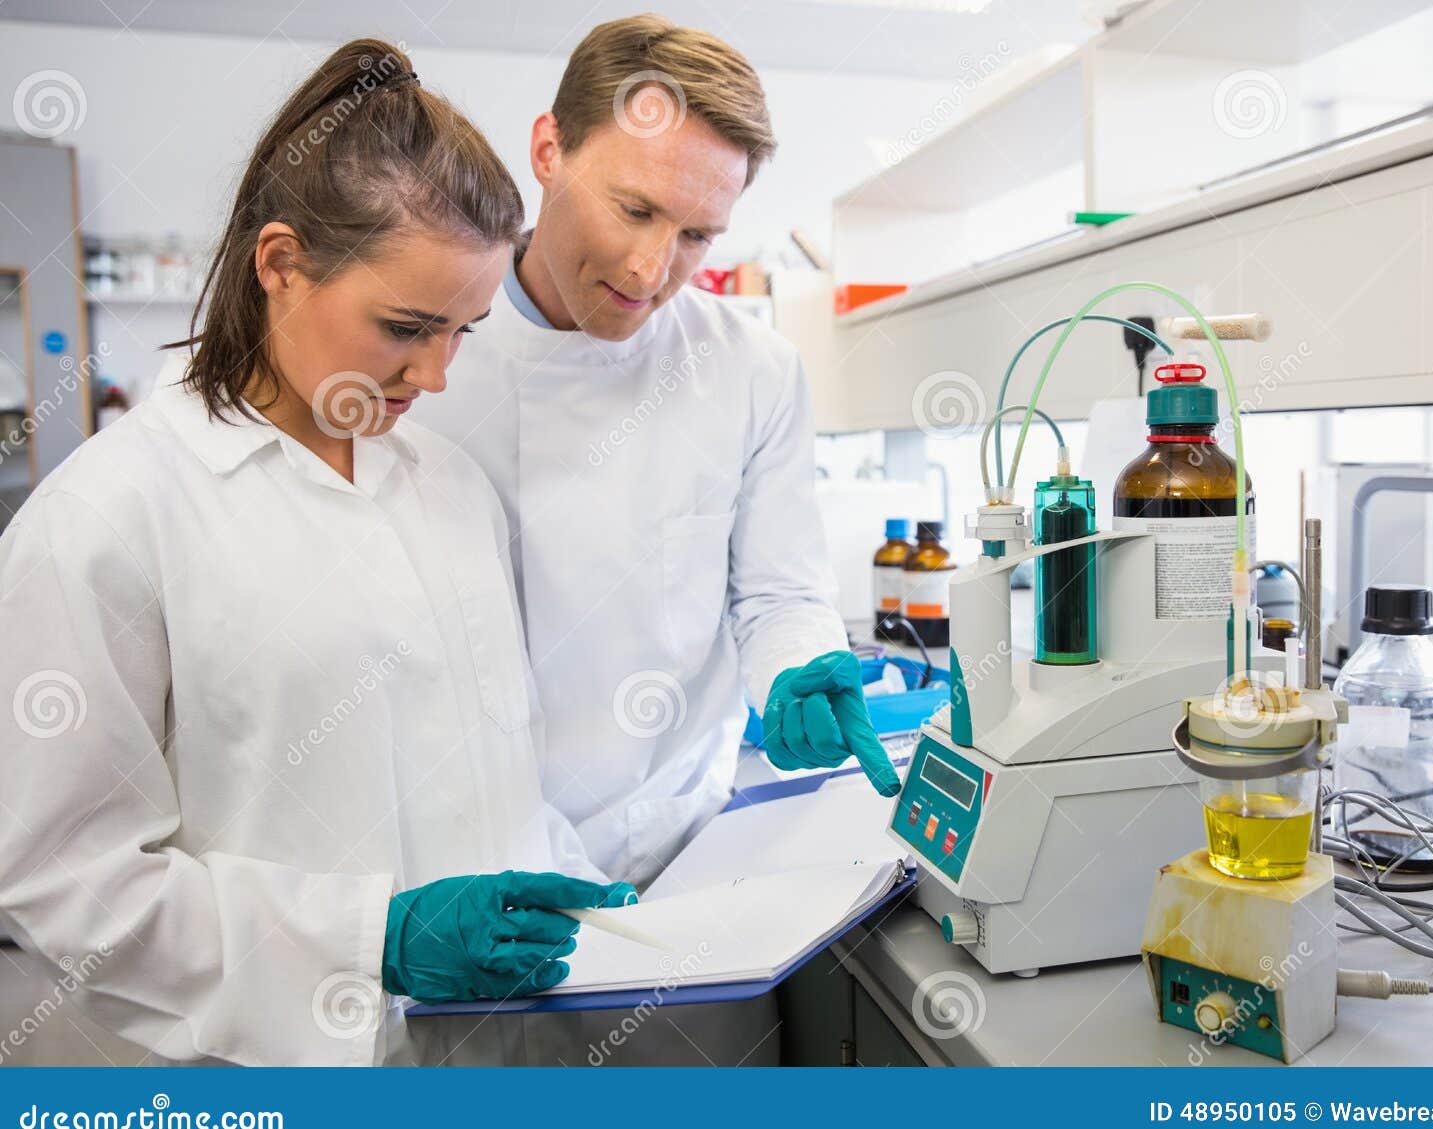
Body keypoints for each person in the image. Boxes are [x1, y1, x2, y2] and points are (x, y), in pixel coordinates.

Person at [0, 39, 635, 1067]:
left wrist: (590, 908)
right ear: (281, 264)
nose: (434, 374)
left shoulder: (449, 486)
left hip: (495, 1060)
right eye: (405, 326)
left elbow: (486, 778)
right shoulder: (108, 518)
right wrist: (366, 942)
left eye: (464, 331)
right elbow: (65, 882)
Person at [417, 15, 902, 898]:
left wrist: (797, 663)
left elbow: (779, 591)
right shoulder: (421, 364)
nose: (651, 267)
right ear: (548, 149)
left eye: (697, 235)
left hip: (680, 853)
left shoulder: (751, 369)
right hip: (463, 867)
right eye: (634, 208)